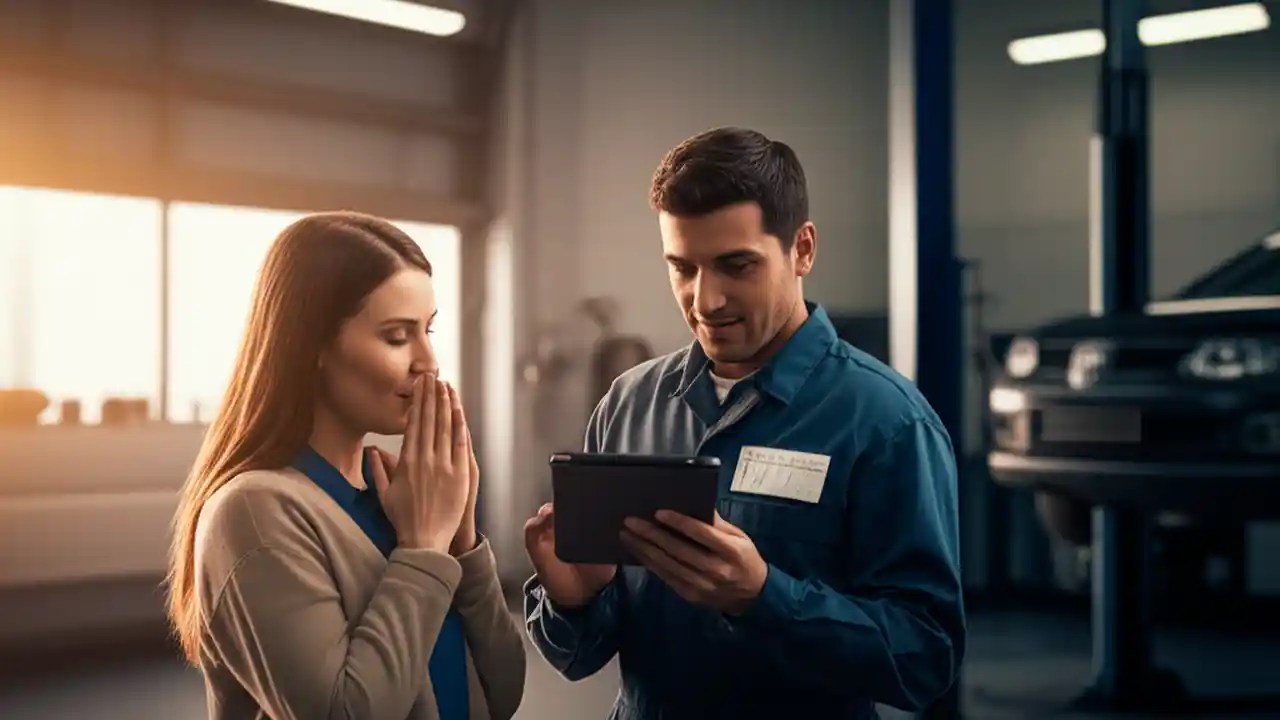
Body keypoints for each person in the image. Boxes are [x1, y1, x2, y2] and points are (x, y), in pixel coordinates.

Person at [523, 127, 965, 718]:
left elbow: (925, 659)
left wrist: (763, 598)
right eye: (682, 267)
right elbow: (579, 656)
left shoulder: (887, 424)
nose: (705, 300)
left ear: (802, 249)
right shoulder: (629, 406)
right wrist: (576, 599)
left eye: (737, 266)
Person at [166, 212, 526, 720]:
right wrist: (423, 548)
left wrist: (461, 537)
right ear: (311, 344)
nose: (429, 361)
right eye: (398, 337)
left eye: (428, 330)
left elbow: (501, 692)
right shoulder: (253, 510)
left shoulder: (395, 497)